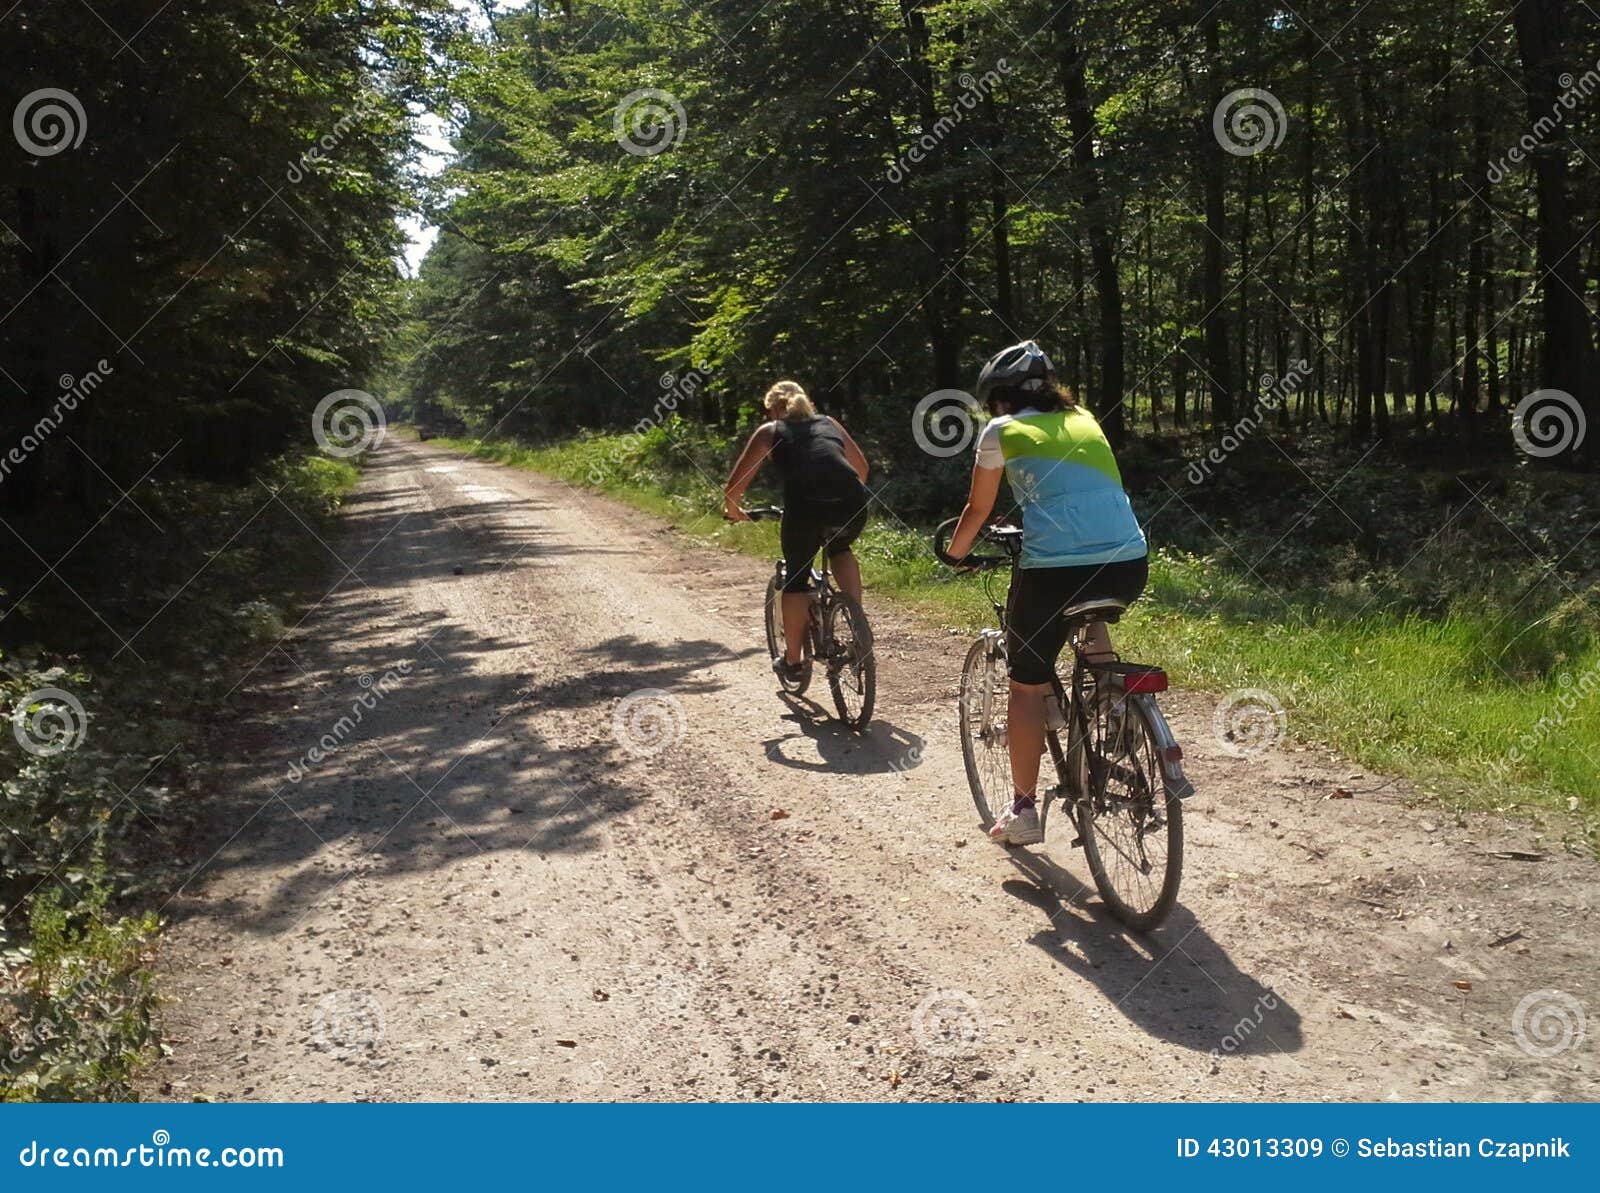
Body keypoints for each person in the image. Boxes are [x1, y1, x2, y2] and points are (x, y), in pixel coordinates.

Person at [944, 341, 1148, 845]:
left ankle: (1023, 810)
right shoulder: (1084, 419)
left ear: (999, 398)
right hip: (1127, 562)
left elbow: (977, 511)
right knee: (1089, 603)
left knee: (1026, 685)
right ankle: (1114, 699)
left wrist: (954, 555)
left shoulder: (1002, 431)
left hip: (1053, 571)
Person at [723, 381, 871, 684]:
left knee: (796, 579)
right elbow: (862, 469)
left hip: (805, 509)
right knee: (840, 548)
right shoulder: (829, 423)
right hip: (850, 504)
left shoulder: (771, 431)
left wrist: (734, 511)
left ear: (775, 409)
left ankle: (793, 661)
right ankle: (858, 623)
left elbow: (734, 488)